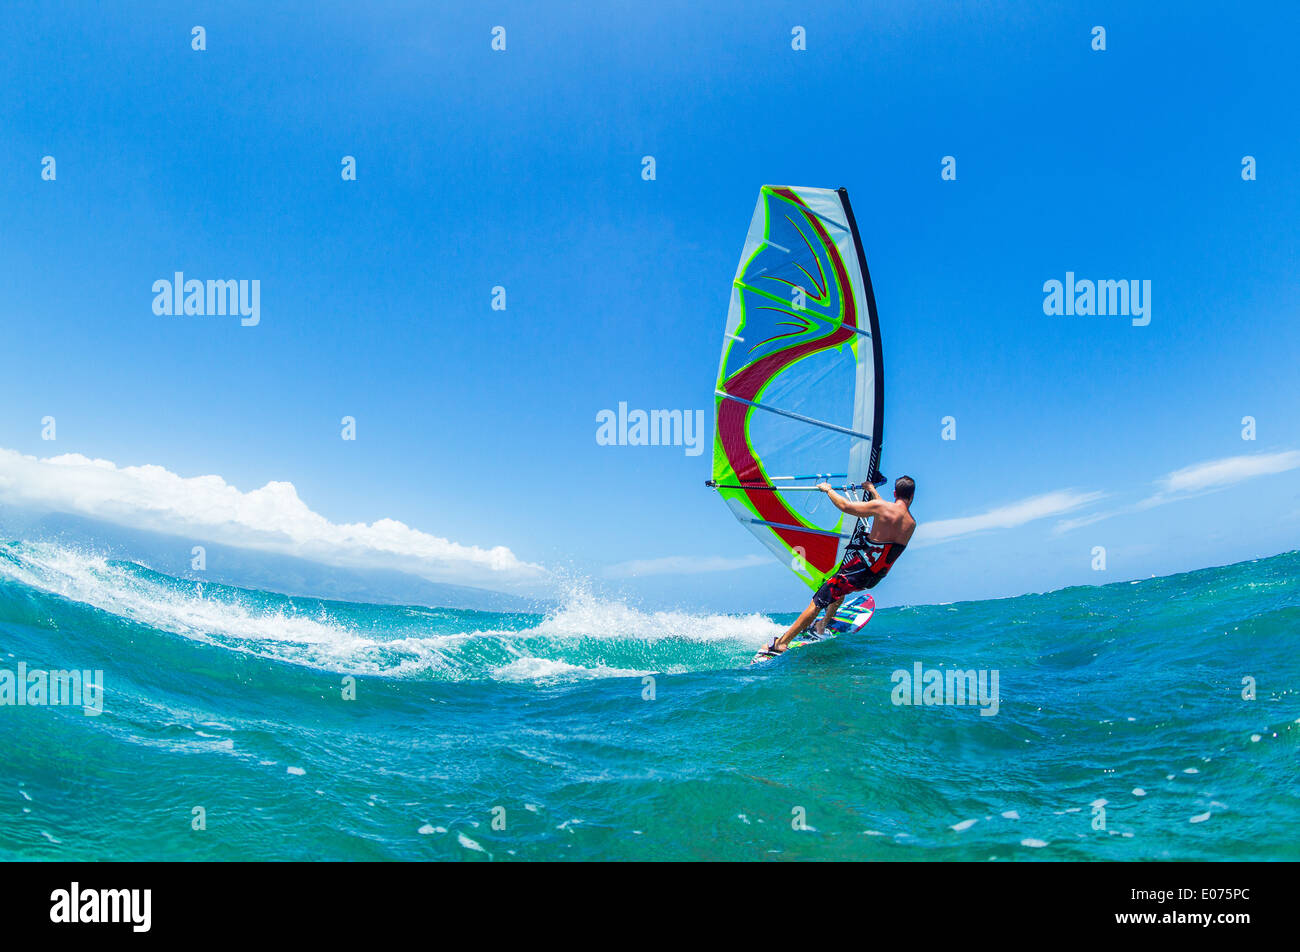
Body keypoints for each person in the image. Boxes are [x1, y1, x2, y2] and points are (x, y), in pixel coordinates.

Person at [760, 475, 917, 656]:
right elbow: (889, 512)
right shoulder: (911, 524)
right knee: (838, 591)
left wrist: (828, 490)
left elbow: (845, 506)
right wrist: (872, 491)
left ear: (895, 492)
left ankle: (781, 643)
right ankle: (821, 625)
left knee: (817, 601)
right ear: (912, 496)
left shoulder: (882, 508)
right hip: (874, 577)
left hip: (857, 570)